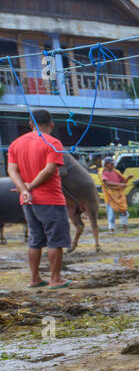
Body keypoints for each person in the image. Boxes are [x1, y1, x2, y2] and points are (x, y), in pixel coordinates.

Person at [6, 108, 70, 289]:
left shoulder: (15, 144)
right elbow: (49, 170)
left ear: (30, 124)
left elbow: (12, 170)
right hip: (50, 199)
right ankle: (55, 279)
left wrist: (23, 189)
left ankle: (35, 278)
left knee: (35, 239)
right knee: (55, 240)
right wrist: (30, 187)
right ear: (51, 124)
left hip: (28, 201)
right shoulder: (53, 143)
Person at [101, 156, 129, 232]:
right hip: (110, 196)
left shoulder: (116, 172)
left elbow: (123, 181)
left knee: (123, 211)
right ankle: (112, 229)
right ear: (106, 164)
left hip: (119, 195)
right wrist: (120, 185)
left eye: (113, 164)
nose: (113, 165)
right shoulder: (102, 173)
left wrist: (128, 178)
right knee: (111, 214)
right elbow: (107, 183)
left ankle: (125, 228)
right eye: (111, 164)